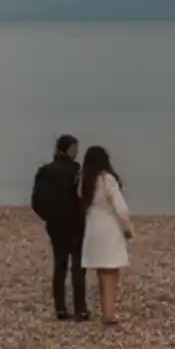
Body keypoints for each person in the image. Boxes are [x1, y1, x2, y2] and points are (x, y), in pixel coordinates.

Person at [31, 134, 89, 321]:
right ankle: (80, 308)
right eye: (75, 149)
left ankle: (60, 308)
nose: (76, 152)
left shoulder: (45, 171)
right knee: (78, 266)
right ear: (68, 149)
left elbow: (36, 200)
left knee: (60, 264)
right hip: (76, 222)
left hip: (56, 223)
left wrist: (48, 216)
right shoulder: (77, 171)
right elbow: (85, 197)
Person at [79, 146, 134, 326]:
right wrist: (127, 228)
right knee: (110, 272)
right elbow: (121, 208)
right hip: (109, 227)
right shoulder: (107, 179)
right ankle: (109, 313)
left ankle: (106, 309)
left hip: (92, 227)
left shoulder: (85, 180)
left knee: (101, 272)